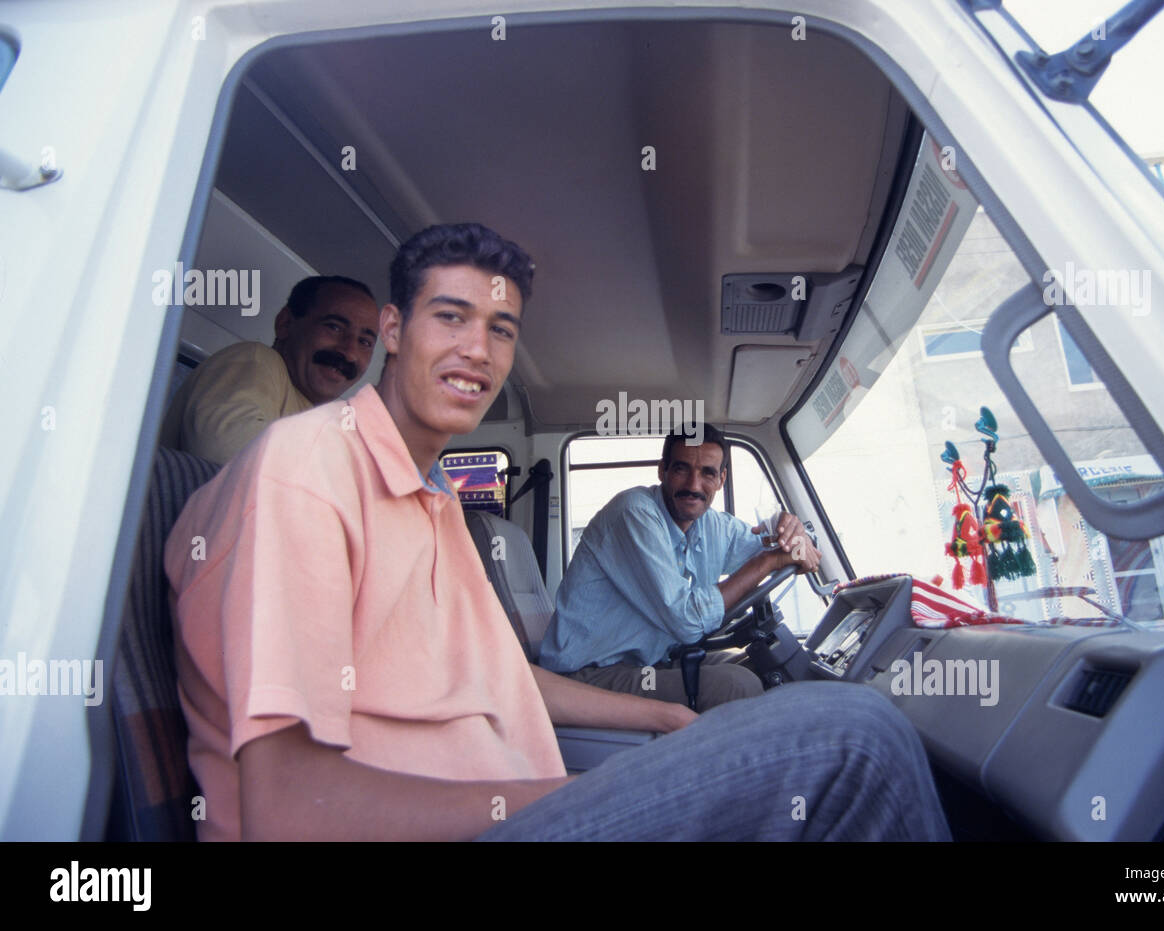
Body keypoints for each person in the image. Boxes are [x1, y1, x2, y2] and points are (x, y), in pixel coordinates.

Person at [165, 221, 949, 842]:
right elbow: (289, 807)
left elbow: (504, 678)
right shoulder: (306, 469)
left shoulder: (429, 498)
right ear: (395, 330)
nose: (479, 348)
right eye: (452, 316)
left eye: (501, 329)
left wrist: (663, 717)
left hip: (526, 807)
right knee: (852, 737)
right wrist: (573, 795)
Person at [537, 424, 821, 710]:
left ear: (721, 479)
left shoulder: (712, 525)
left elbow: (775, 546)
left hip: (650, 663)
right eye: (682, 469)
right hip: (585, 676)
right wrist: (767, 562)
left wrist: (795, 534)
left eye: (708, 473)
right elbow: (686, 621)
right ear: (663, 471)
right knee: (739, 685)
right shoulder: (634, 513)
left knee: (762, 668)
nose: (694, 486)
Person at [159, 275, 379, 464]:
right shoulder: (255, 359)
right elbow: (224, 449)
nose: (350, 352)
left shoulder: (320, 418)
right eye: (334, 327)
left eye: (365, 342)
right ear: (285, 324)